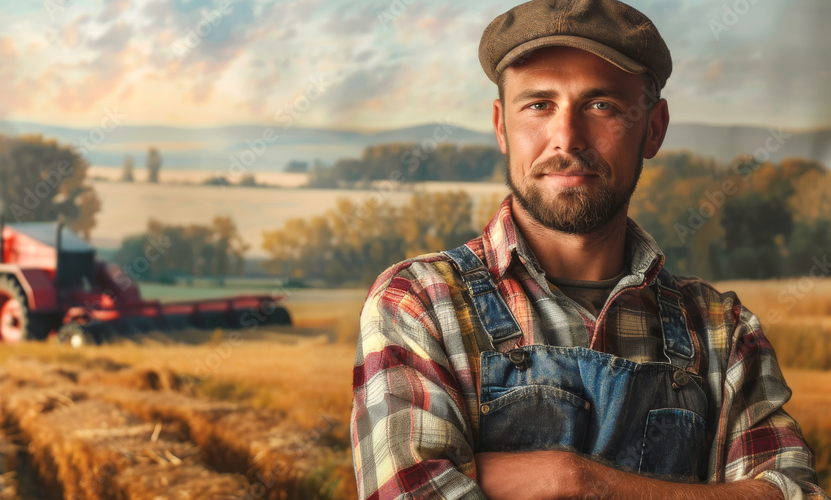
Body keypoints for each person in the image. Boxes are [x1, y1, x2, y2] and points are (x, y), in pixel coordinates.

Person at [349, 0, 830, 498]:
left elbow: (790, 491)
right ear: (500, 126)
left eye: (602, 105)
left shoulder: (721, 331)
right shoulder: (419, 302)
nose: (567, 138)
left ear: (654, 128)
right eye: (538, 104)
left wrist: (576, 480)